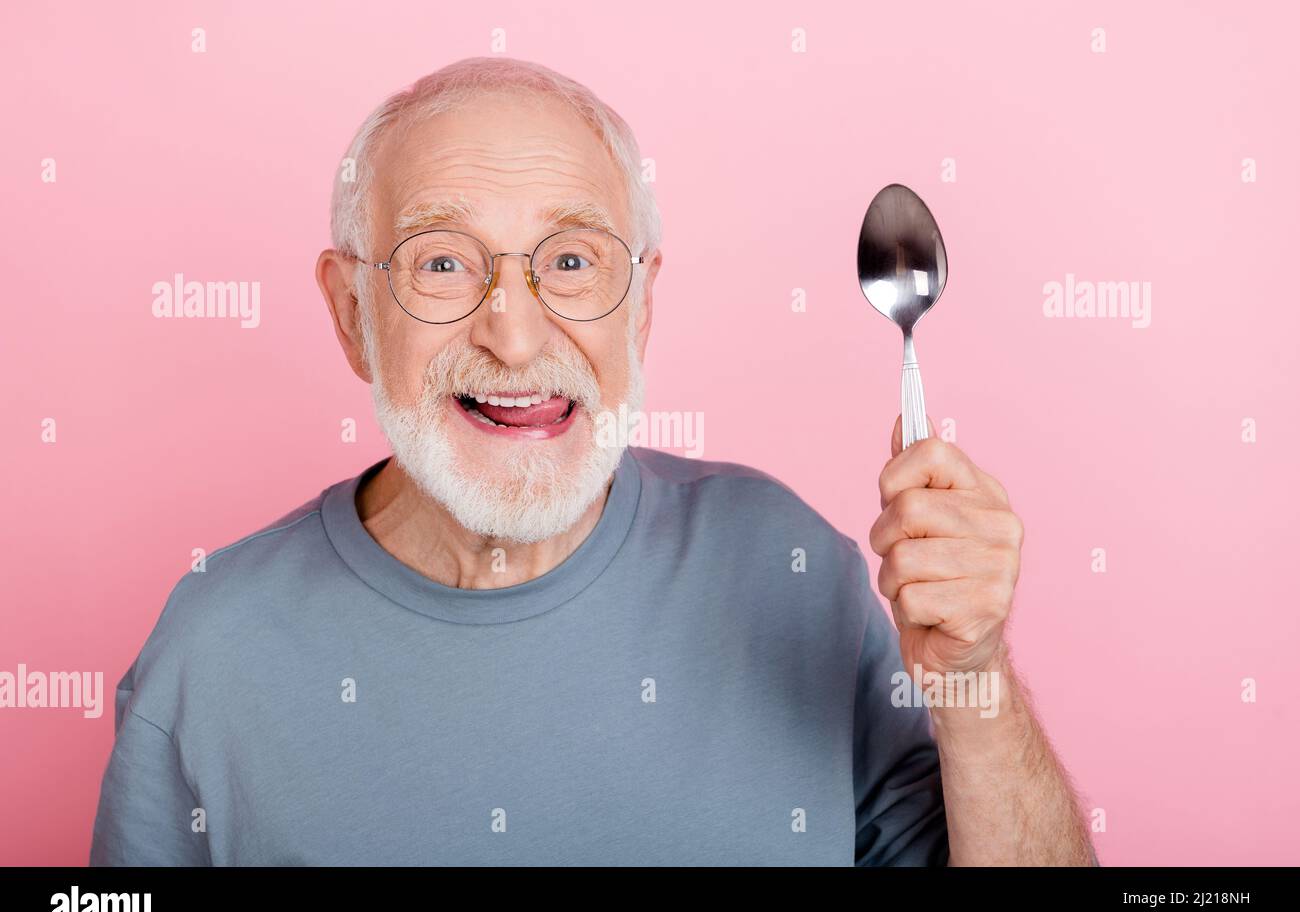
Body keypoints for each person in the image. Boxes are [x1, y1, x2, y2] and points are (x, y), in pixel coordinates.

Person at [90, 57, 1094, 866]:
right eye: (444, 260)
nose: (516, 338)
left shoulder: (789, 567)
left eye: (571, 261)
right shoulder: (212, 652)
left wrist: (972, 678)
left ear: (643, 305)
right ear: (353, 313)